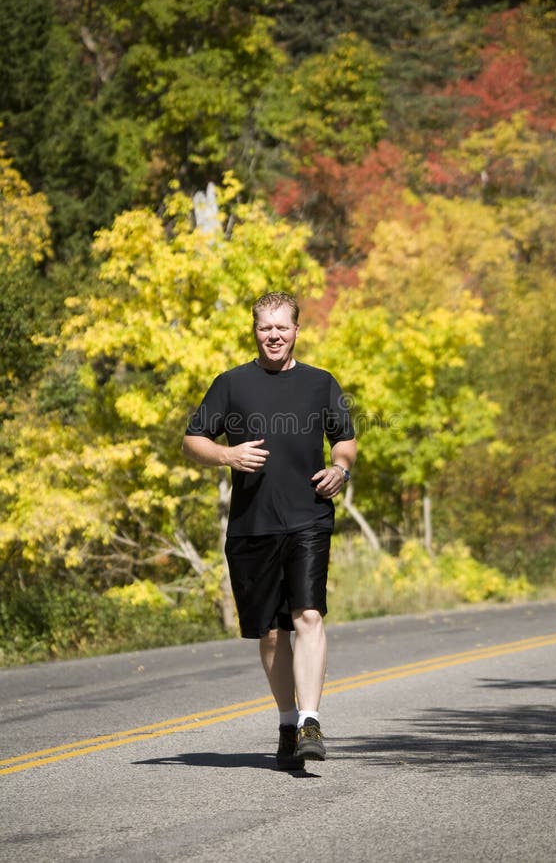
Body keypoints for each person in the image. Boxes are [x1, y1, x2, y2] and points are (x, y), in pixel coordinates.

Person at [182, 291, 356, 770]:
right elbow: (192, 440)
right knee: (274, 634)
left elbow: (344, 439)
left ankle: (310, 722)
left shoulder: (321, 383)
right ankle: (286, 721)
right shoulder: (231, 384)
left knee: (309, 615)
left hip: (309, 517)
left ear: (297, 330)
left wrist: (340, 469)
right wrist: (226, 454)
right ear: (254, 331)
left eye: (282, 327)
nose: (274, 335)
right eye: (265, 327)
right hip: (252, 525)